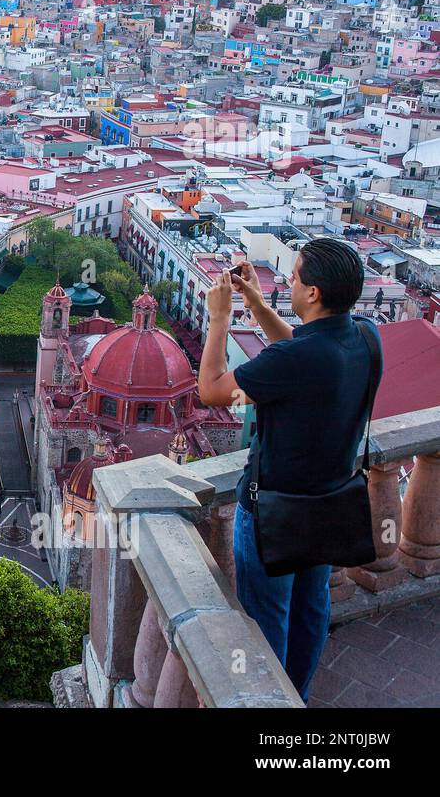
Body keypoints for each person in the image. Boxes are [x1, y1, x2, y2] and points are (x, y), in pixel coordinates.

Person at [196, 238, 380, 702]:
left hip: (272, 512)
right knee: (311, 609)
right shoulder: (365, 335)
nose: (290, 282)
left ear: (313, 293)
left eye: (295, 276)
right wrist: (255, 303)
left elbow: (213, 390)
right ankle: (297, 692)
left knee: (266, 620)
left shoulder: (295, 361)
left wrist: (220, 318)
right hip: (331, 502)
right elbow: (302, 348)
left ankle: (270, 702)